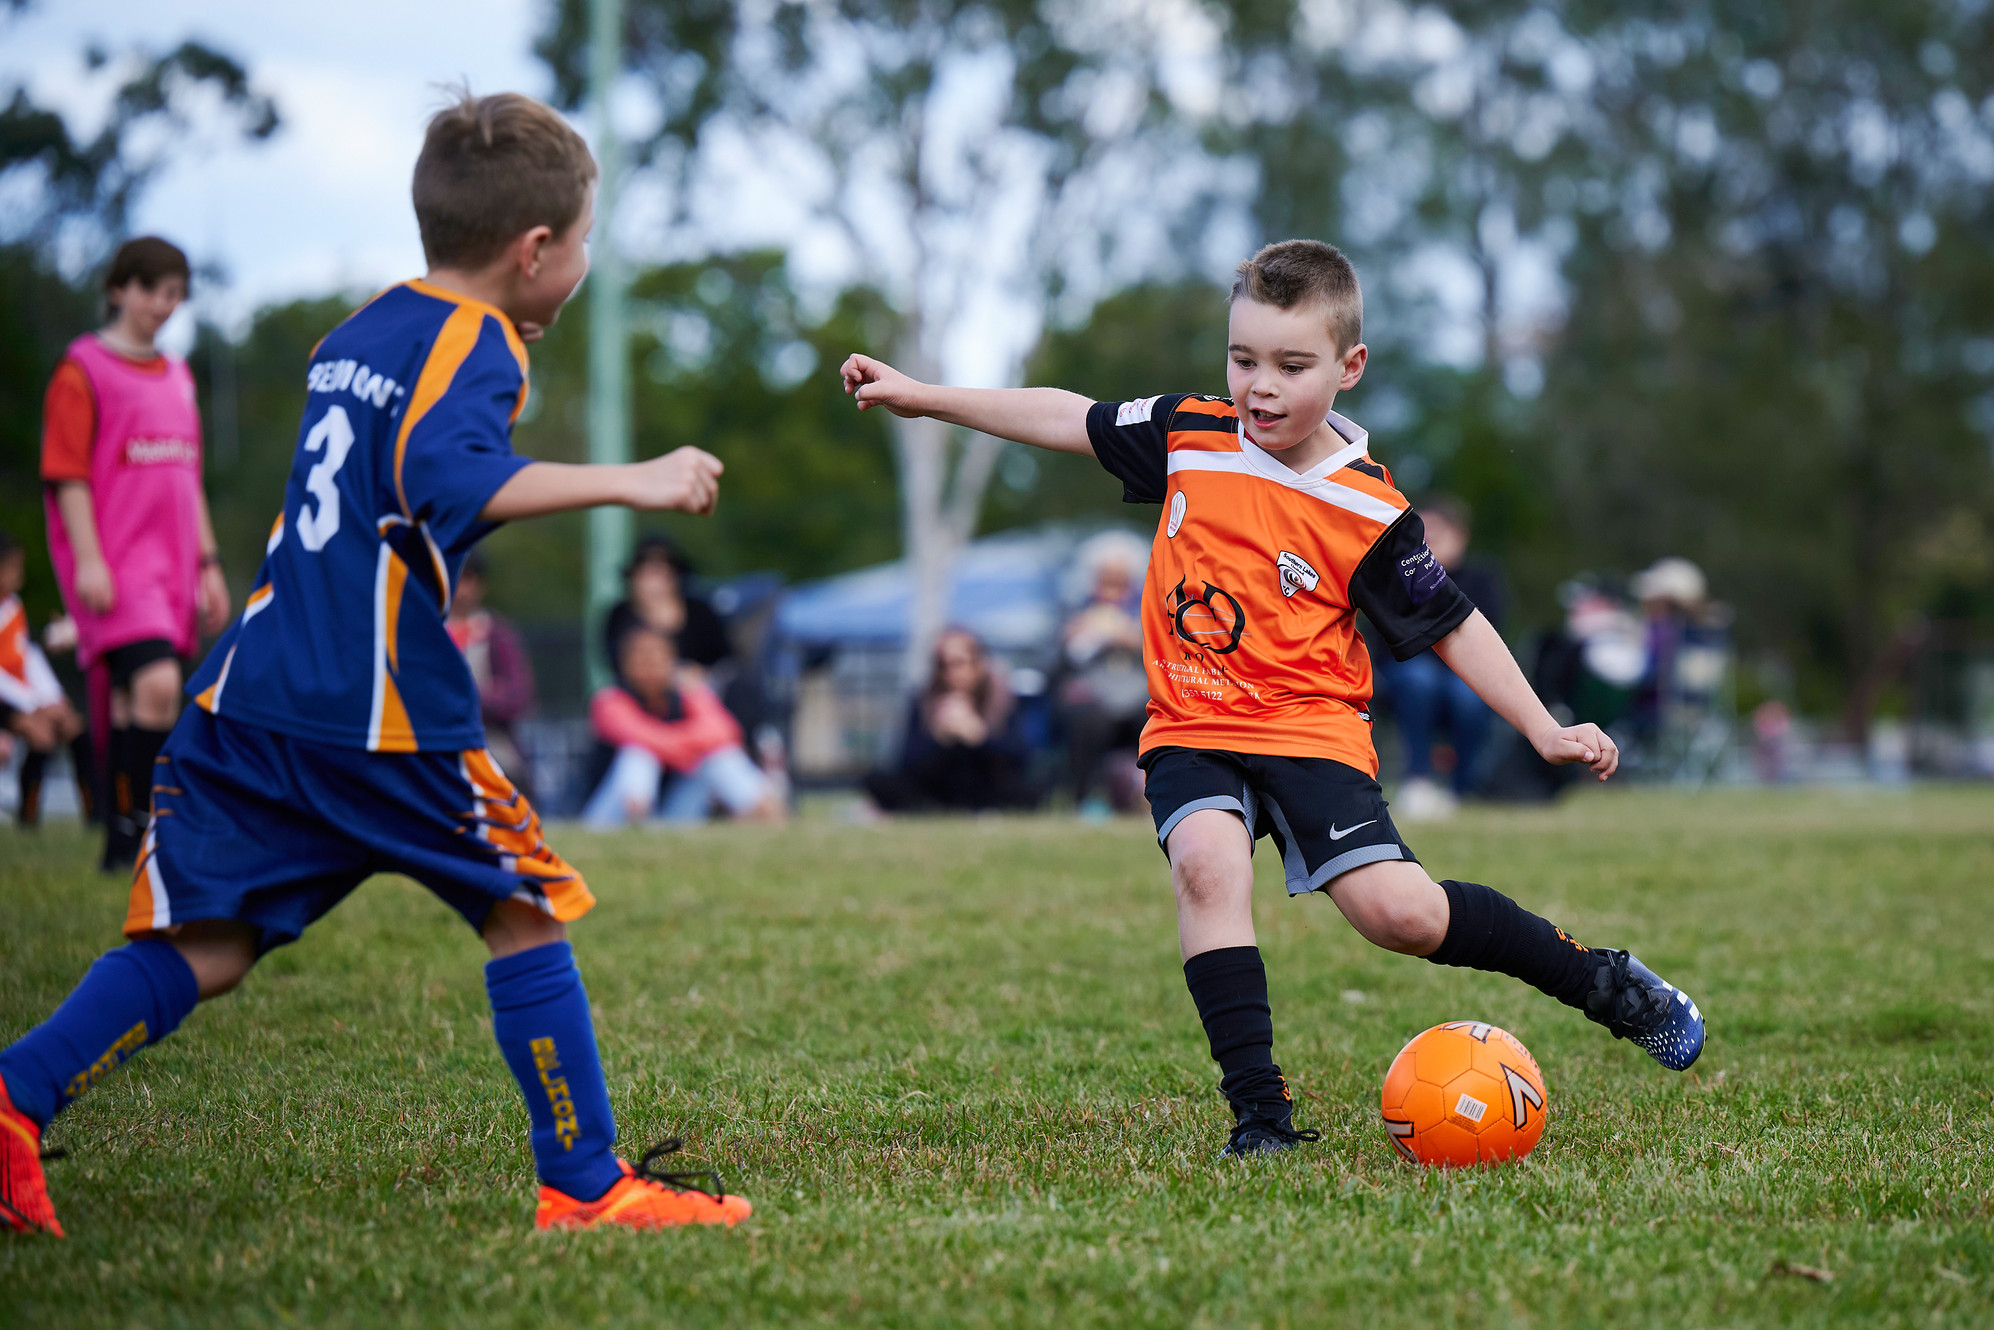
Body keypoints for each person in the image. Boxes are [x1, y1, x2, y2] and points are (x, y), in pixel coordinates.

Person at [0, 91, 751, 1238]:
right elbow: (450, 480)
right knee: (527, 909)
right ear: (533, 249)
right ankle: (587, 1185)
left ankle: (13, 1098)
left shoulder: (354, 332)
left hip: (251, 693)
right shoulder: (480, 344)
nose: (585, 260)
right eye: (586, 240)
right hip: (377, 706)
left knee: (206, 944)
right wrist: (631, 476)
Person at [841, 238, 1705, 1158]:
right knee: (1208, 870)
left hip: (1312, 731)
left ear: (1349, 368)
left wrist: (1543, 724)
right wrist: (920, 394)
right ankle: (1261, 1119)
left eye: (1291, 366)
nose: (1260, 386)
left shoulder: (1371, 510)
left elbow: (1452, 623)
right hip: (1192, 722)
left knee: (1401, 918)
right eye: (1242, 358)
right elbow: (1071, 415)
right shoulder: (1189, 434)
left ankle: (1604, 982)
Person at [40, 236, 231, 870]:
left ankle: (122, 842)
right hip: (116, 563)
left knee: (130, 701)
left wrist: (207, 563)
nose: (163, 305)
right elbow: (66, 472)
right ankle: (152, 826)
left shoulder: (178, 376)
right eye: (152, 289)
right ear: (120, 288)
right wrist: (88, 559)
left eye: (176, 294)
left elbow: (189, 476)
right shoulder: (84, 369)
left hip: (173, 564)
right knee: (157, 686)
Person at [582, 625, 781, 826]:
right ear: (625, 663)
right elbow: (648, 739)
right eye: (641, 657)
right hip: (608, 818)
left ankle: (770, 815)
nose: (650, 665)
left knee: (721, 757)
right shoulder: (609, 700)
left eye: (658, 656)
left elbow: (727, 731)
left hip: (671, 814)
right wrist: (690, 747)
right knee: (639, 755)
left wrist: (694, 691)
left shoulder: (685, 696)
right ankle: (635, 827)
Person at [1383, 496, 1502, 820]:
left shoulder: (1482, 579)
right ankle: (1417, 780)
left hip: (1463, 678)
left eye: (1434, 536)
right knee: (1419, 679)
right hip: (1410, 676)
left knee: (1467, 694)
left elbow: (1490, 635)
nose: (1426, 544)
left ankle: (1462, 788)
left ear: (1459, 536)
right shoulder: (1396, 579)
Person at [864, 628, 1036, 813]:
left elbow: (1020, 758)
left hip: (987, 786)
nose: (950, 672)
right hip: (938, 788)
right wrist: (939, 737)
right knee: (876, 779)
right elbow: (905, 763)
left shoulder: (1001, 698)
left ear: (978, 663)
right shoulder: (924, 700)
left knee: (1033, 789)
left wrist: (979, 734)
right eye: (942, 665)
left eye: (958, 663)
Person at [1055, 537, 1149, 812]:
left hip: (1137, 692)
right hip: (1092, 694)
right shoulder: (1075, 610)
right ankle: (1083, 799)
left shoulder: (1146, 609)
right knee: (1086, 719)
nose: (1111, 586)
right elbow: (1063, 661)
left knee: (1152, 717)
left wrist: (1131, 638)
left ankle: (1144, 795)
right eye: (1106, 577)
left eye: (1119, 578)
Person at [0, 531, 87, 826]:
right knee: (41, 735)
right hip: (7, 698)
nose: (19, 576)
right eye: (13, 568)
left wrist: (52, 698)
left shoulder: (13, 607)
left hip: (21, 696)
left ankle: (96, 812)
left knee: (74, 727)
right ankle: (28, 817)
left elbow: (28, 658)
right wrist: (32, 704)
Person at [446, 553, 537, 791]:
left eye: (470, 579)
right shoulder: (427, 630)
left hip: (489, 738)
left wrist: (464, 697)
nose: (464, 587)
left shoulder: (497, 633)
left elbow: (516, 695)